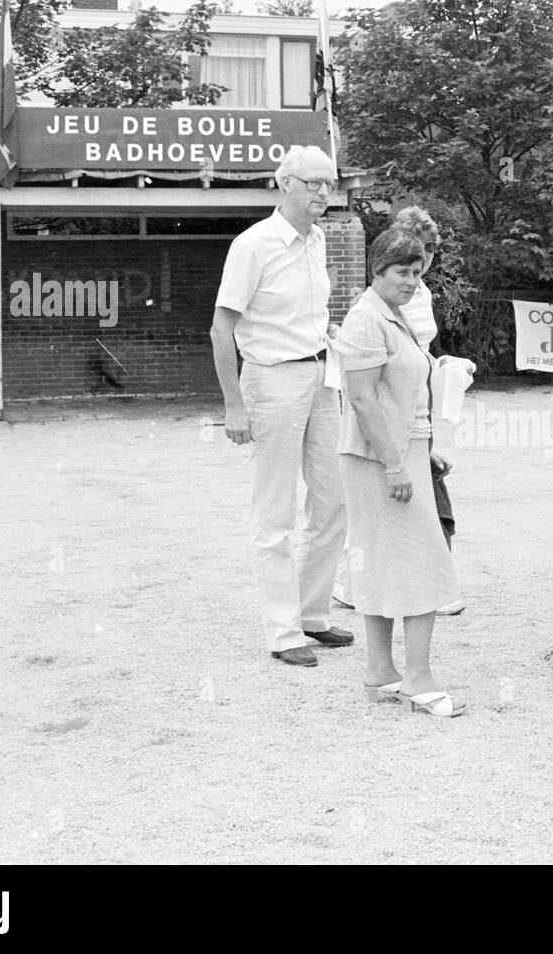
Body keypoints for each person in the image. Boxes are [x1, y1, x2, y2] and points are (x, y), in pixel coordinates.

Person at [210, 145, 354, 668]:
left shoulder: (317, 241)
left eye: (329, 183)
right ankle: (282, 630)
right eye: (313, 183)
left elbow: (305, 314)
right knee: (274, 511)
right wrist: (234, 406)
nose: (323, 192)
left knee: (334, 498)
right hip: (271, 382)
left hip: (322, 377)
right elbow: (222, 327)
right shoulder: (254, 245)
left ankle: (313, 615)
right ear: (284, 183)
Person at [333, 228, 465, 717]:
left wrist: (420, 451)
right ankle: (418, 678)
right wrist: (394, 463)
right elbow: (362, 399)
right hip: (377, 460)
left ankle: (381, 673)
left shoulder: (392, 316)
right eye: (402, 272)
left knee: (383, 561)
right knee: (423, 559)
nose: (411, 281)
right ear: (378, 271)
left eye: (416, 272)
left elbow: (398, 396)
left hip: (399, 452)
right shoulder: (367, 319)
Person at [393, 205, 466, 614]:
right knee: (411, 483)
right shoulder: (389, 293)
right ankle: (430, 578)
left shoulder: (424, 293)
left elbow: (425, 350)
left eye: (433, 250)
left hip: (422, 392)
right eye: (420, 249)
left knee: (421, 476)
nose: (427, 259)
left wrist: (446, 366)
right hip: (399, 394)